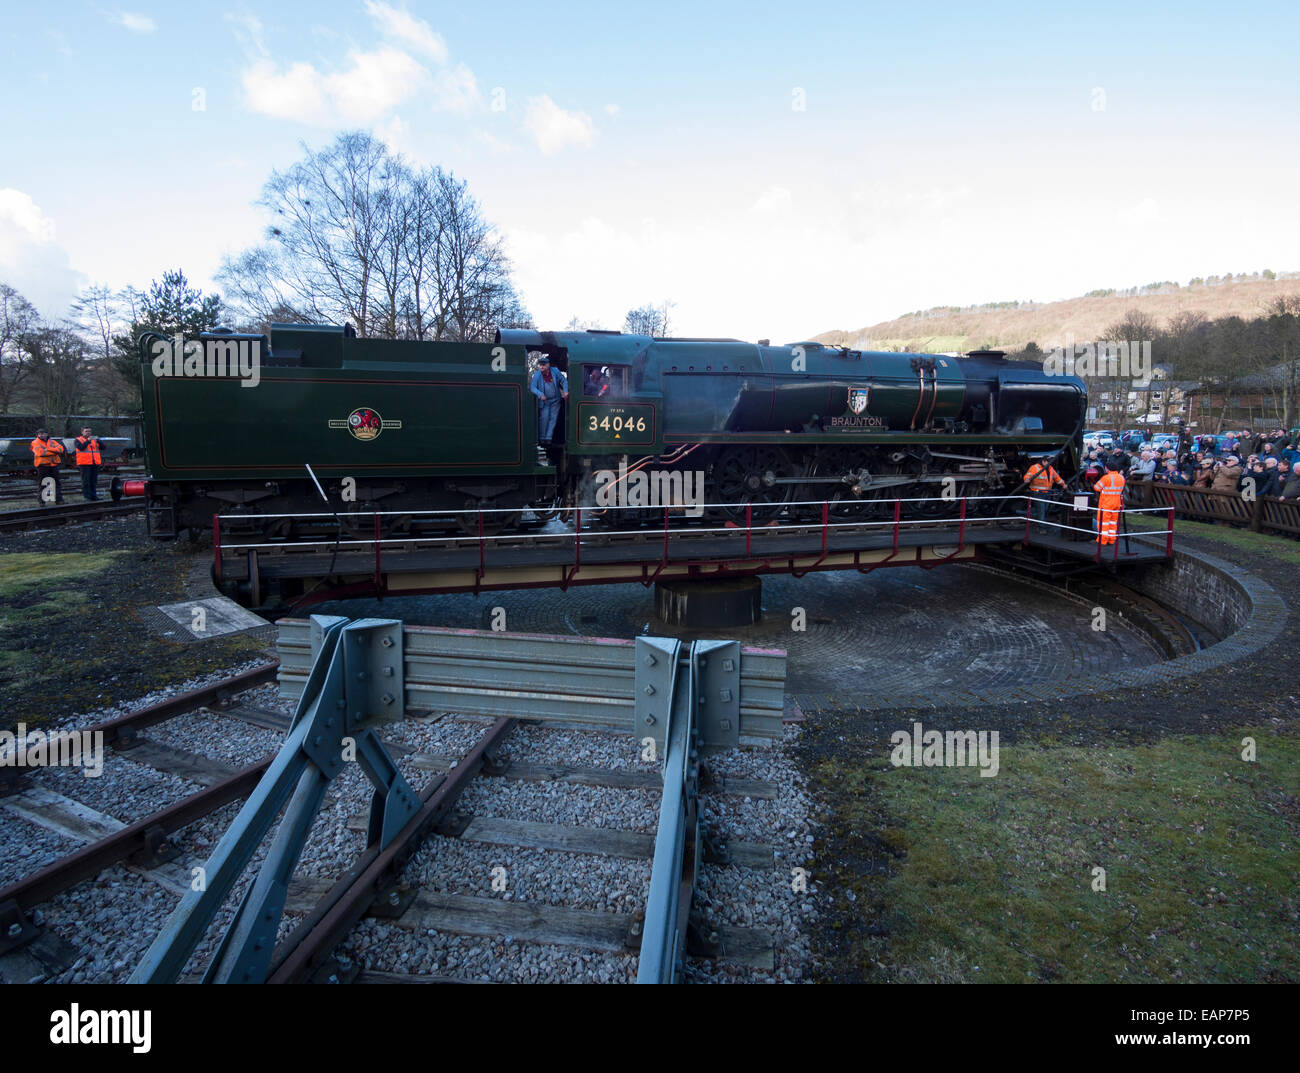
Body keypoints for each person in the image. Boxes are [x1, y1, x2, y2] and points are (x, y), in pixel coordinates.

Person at [529, 354, 568, 445]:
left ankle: (548, 438)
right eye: (540, 364)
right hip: (544, 401)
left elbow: (563, 380)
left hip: (555, 399)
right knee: (544, 418)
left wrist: (566, 391)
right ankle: (542, 438)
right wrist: (540, 394)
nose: (541, 366)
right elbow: (532, 387)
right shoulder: (537, 375)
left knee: (553, 418)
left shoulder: (555, 371)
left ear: (548, 365)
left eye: (544, 364)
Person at [1023, 456, 1065, 533]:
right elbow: (1027, 476)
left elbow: (1057, 477)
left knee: (1044, 510)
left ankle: (1040, 524)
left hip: (1047, 493)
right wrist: (1027, 479)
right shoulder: (1034, 468)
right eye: (1048, 462)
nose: (1050, 464)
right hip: (1038, 493)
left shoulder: (1050, 468)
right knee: (1042, 511)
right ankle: (1042, 528)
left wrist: (1063, 484)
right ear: (1043, 461)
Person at [1094, 456, 1126, 546]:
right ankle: (1112, 539)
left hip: (1106, 503)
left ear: (1107, 469)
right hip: (1117, 503)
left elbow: (1096, 488)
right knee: (1113, 522)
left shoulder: (1106, 478)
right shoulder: (1121, 477)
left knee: (1103, 522)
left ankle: (1102, 541)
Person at [30, 428, 66, 505]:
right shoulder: (35, 442)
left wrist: (48, 449)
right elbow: (40, 453)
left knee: (57, 483)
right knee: (43, 483)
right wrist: (54, 451)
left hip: (54, 465)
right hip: (42, 466)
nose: (41, 435)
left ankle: (59, 500)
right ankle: (42, 501)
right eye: (39, 434)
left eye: (42, 433)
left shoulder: (53, 441)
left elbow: (60, 450)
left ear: (47, 434)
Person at [74, 426, 103, 501]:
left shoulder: (94, 440)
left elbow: (103, 447)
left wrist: (99, 441)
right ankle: (87, 496)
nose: (88, 433)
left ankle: (94, 496)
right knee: (86, 481)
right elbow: (81, 447)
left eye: (89, 431)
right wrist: (87, 441)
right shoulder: (78, 440)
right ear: (82, 432)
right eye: (86, 431)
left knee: (93, 480)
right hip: (84, 463)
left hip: (94, 463)